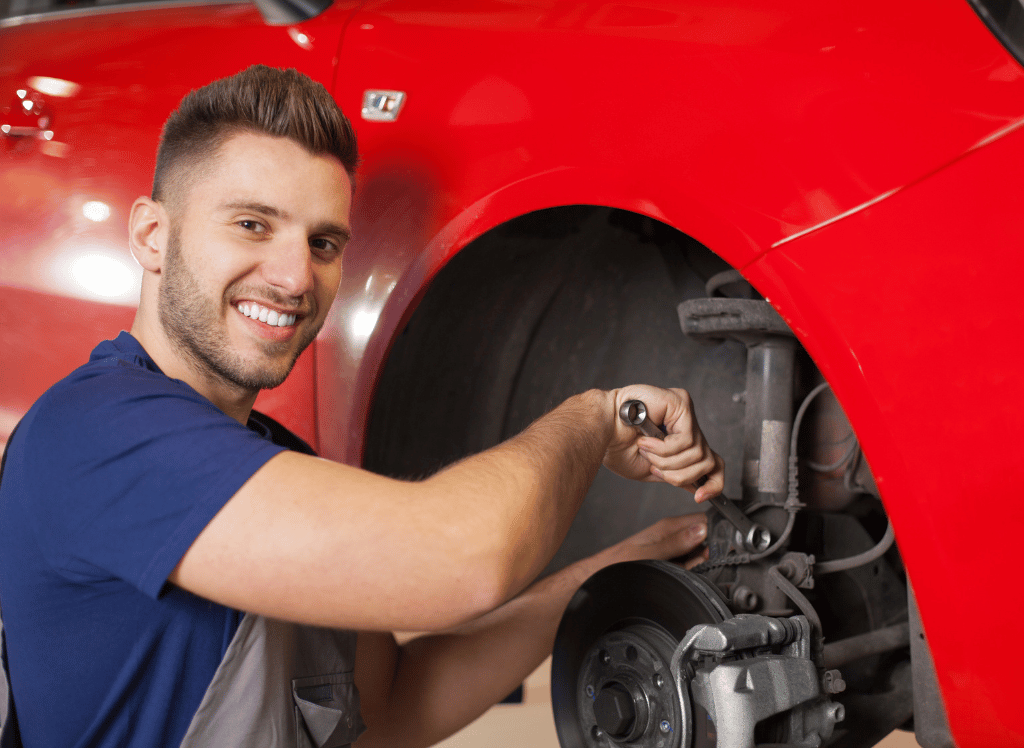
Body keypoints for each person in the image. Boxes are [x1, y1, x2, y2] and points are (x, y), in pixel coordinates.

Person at [0, 65, 724, 747]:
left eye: (322, 242)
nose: (294, 276)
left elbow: (398, 704)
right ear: (153, 237)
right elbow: (461, 558)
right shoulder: (98, 431)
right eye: (252, 224)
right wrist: (592, 419)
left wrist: (620, 568)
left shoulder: (274, 464)